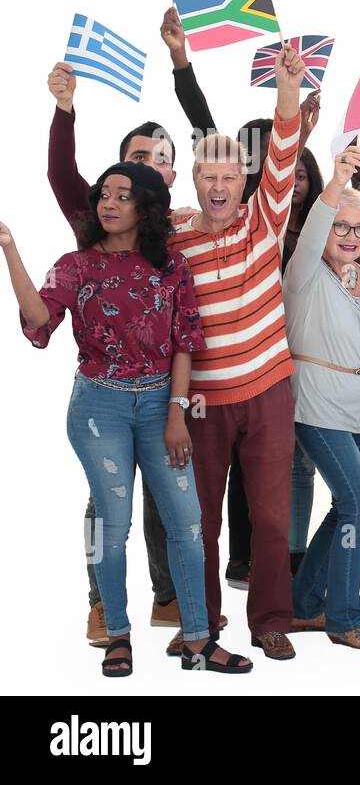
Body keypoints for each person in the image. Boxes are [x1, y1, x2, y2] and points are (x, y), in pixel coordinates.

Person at [3, 163, 251, 675]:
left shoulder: (171, 267)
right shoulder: (74, 265)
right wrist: (9, 249)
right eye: (103, 195)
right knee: (112, 526)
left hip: (163, 404)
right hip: (99, 408)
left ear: (146, 207)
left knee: (187, 524)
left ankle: (198, 640)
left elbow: (185, 343)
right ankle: (118, 634)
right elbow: (39, 320)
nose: (108, 203)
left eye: (122, 195)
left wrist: (177, 413)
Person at [45, 62, 194, 646]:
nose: (145, 165)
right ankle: (102, 604)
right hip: (108, 393)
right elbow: (61, 176)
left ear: (173, 174)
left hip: (176, 380)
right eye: (135, 155)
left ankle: (167, 597)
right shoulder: (104, 217)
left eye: (158, 157)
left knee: (172, 494)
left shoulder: (185, 227)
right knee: (107, 504)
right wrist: (64, 111)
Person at [168, 45, 306, 660]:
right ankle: (200, 621)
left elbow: (282, 149)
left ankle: (271, 618)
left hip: (269, 389)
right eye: (209, 176)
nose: (220, 184)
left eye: (229, 176)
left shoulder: (264, 219)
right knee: (199, 521)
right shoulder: (172, 241)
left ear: (241, 182)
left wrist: (285, 90)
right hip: (203, 402)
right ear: (195, 182)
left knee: (273, 516)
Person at [282, 145, 360, 650]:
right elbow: (320, 216)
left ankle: (304, 604)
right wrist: (342, 176)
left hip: (359, 405)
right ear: (321, 230)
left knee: (349, 506)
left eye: (359, 229)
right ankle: (344, 617)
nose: (349, 237)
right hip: (317, 400)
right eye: (340, 227)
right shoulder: (304, 272)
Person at [285, 148, 324, 576]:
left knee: (309, 463)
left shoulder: (327, 228)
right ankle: (289, 552)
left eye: (301, 175)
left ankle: (336, 543)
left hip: (316, 352)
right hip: (272, 352)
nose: (295, 183)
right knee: (291, 462)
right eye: (287, 175)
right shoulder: (265, 225)